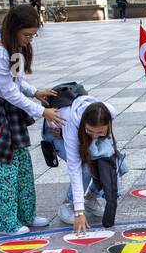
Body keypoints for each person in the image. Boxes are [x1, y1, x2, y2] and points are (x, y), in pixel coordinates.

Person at [0, 4, 63, 235]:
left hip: (11, 112)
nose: (30, 40)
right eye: (27, 35)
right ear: (14, 29)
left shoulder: (13, 48)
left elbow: (18, 82)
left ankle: (25, 215)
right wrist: (42, 112)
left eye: (33, 35)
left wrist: (35, 91)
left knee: (22, 166)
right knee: (3, 168)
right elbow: (8, 91)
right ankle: (4, 223)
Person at [45, 98, 125, 232]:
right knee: (86, 167)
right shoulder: (70, 124)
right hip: (57, 134)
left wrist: (94, 135)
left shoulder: (110, 112)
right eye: (91, 131)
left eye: (100, 132)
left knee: (110, 161)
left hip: (80, 130)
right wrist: (79, 212)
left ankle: (90, 197)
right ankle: (68, 204)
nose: (95, 136)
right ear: (84, 124)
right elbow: (74, 168)